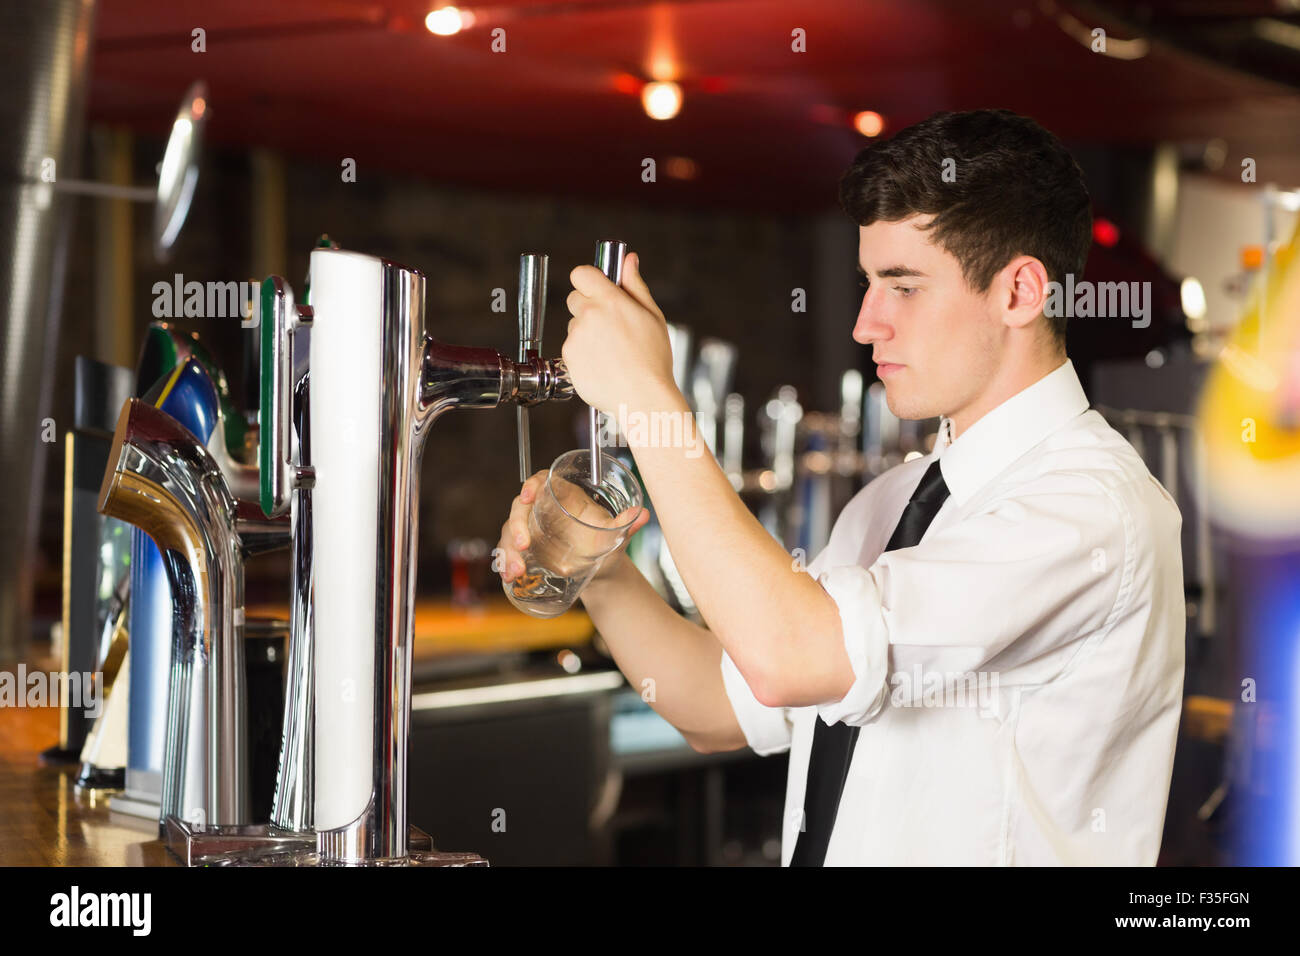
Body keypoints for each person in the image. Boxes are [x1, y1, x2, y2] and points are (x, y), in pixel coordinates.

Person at [497, 109, 1185, 866]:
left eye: (904, 286)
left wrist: (652, 404)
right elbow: (717, 708)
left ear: (1021, 292)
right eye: (868, 283)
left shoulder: (1091, 510)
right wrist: (599, 568)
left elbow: (792, 656)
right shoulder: (888, 505)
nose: (865, 324)